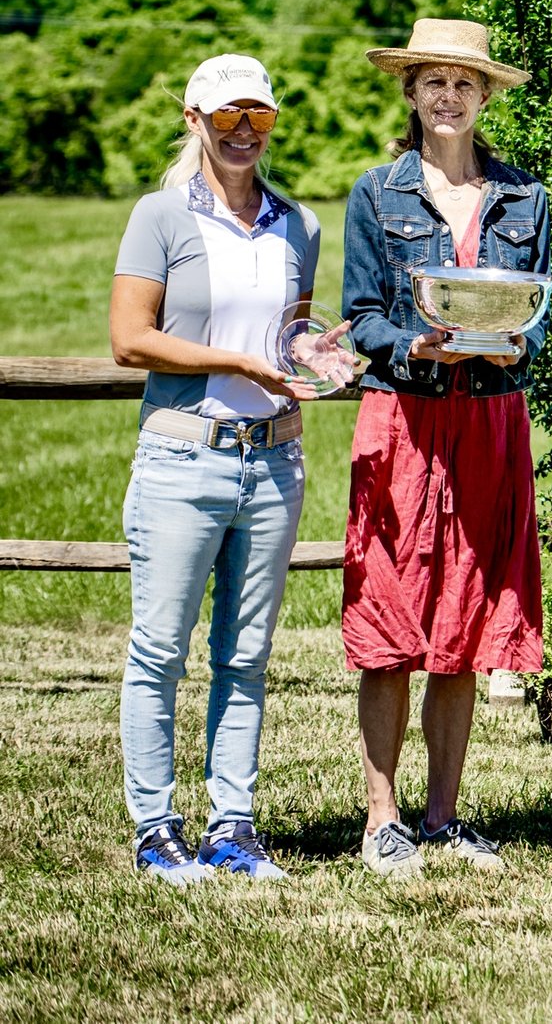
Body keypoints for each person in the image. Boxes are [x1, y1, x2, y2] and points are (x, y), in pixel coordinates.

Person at [340, 19, 549, 875]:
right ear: (411, 91)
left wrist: (513, 346)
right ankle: (381, 817)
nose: (449, 97)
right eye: (434, 81)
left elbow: (535, 313)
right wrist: (410, 347)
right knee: (388, 617)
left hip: (490, 418)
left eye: (465, 82)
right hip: (404, 416)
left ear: (486, 94)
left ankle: (443, 815)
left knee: (465, 616)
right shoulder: (375, 192)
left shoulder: (525, 197)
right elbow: (360, 315)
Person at [108, 54, 322, 883]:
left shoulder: (299, 224)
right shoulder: (159, 215)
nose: (243, 131)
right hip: (182, 458)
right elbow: (130, 338)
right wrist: (236, 361)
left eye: (257, 115)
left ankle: (234, 827)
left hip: (274, 463)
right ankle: (156, 830)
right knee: (161, 649)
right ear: (194, 119)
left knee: (246, 654)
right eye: (227, 115)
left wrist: (316, 360)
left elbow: (290, 339)